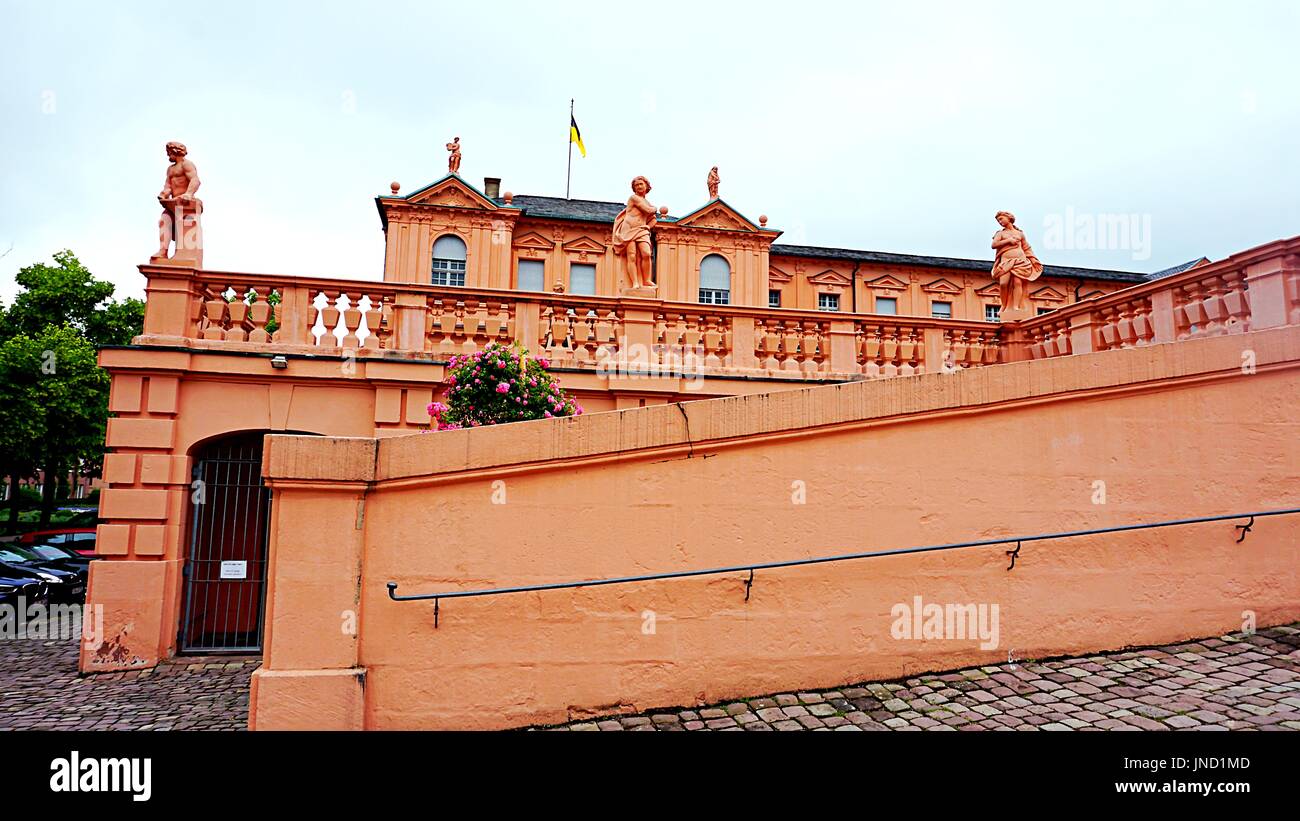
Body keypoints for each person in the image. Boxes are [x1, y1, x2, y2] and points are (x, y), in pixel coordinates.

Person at [991, 211, 1042, 316]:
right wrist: (1008, 241)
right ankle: (1004, 305)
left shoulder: (1020, 234)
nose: (999, 222)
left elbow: (1026, 248)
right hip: (1006, 261)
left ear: (1009, 218)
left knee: (1018, 283)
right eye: (998, 220)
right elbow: (994, 245)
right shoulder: (1000, 233)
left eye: (1001, 219)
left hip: (1020, 261)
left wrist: (1033, 260)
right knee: (1003, 284)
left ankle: (1016, 306)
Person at [611, 176, 658, 288]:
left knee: (646, 254)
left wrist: (647, 227)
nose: (639, 187)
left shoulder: (646, 201)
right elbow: (648, 210)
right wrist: (655, 208)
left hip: (641, 230)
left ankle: (646, 280)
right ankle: (635, 282)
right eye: (636, 185)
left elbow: (654, 219)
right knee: (631, 256)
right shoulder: (633, 198)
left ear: (646, 186)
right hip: (629, 229)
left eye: (641, 184)